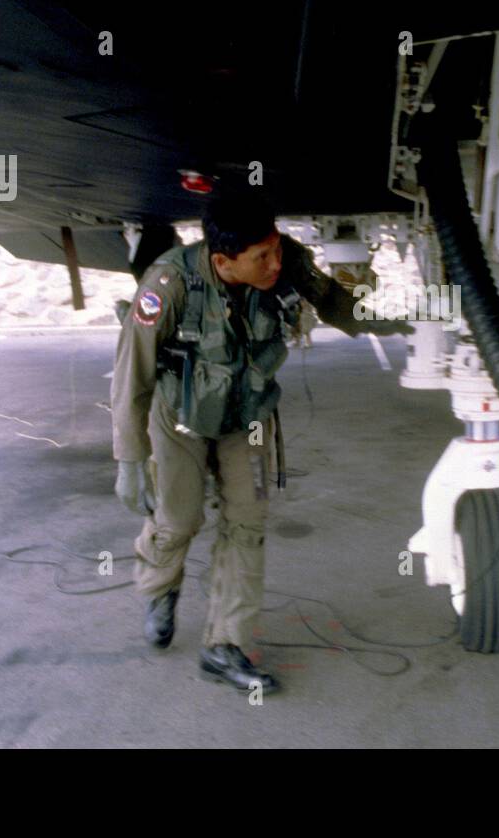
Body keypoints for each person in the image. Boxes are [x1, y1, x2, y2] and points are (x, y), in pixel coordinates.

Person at [110, 188, 409, 694]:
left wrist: (402, 320)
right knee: (179, 520)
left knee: (246, 522)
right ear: (224, 261)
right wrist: (129, 459)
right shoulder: (169, 284)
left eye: (275, 248)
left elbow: (336, 304)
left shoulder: (285, 262)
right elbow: (130, 374)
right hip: (179, 416)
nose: (276, 262)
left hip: (246, 416)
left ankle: (224, 644)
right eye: (261, 257)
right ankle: (160, 588)